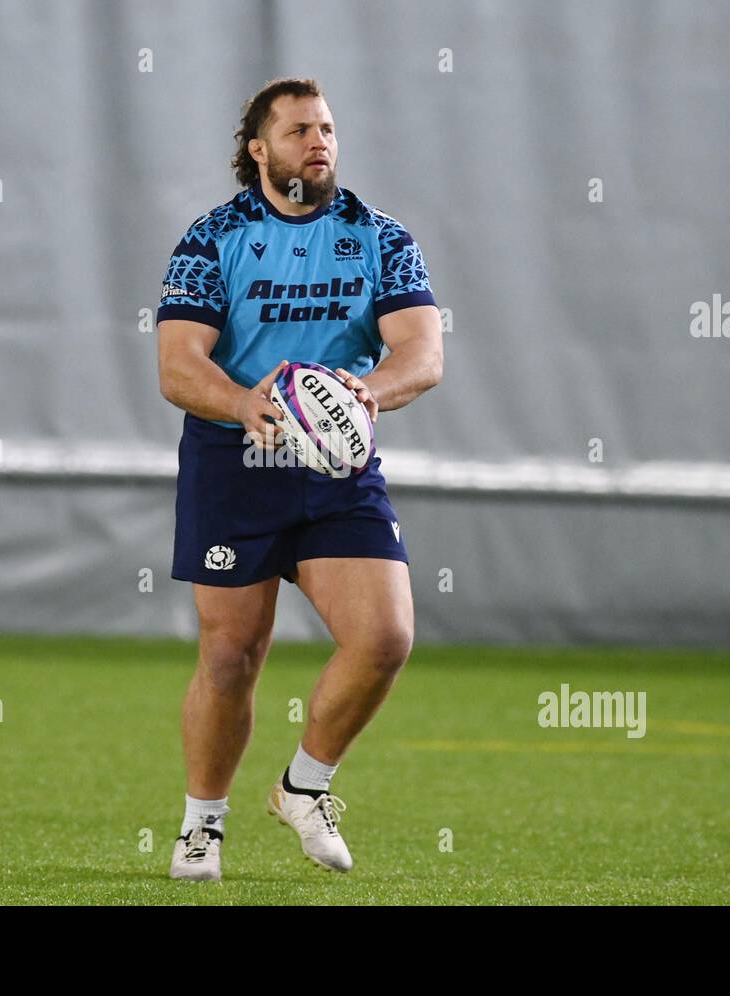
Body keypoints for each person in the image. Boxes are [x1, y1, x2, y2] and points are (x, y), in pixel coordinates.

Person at [156, 77, 443, 881]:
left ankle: (303, 788)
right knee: (232, 654)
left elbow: (422, 355)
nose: (318, 141)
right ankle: (201, 825)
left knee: (385, 638)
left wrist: (365, 392)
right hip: (234, 460)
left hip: (336, 462)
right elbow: (179, 366)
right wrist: (242, 403)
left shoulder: (380, 237)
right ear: (259, 150)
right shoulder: (214, 238)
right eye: (297, 130)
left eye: (326, 128)